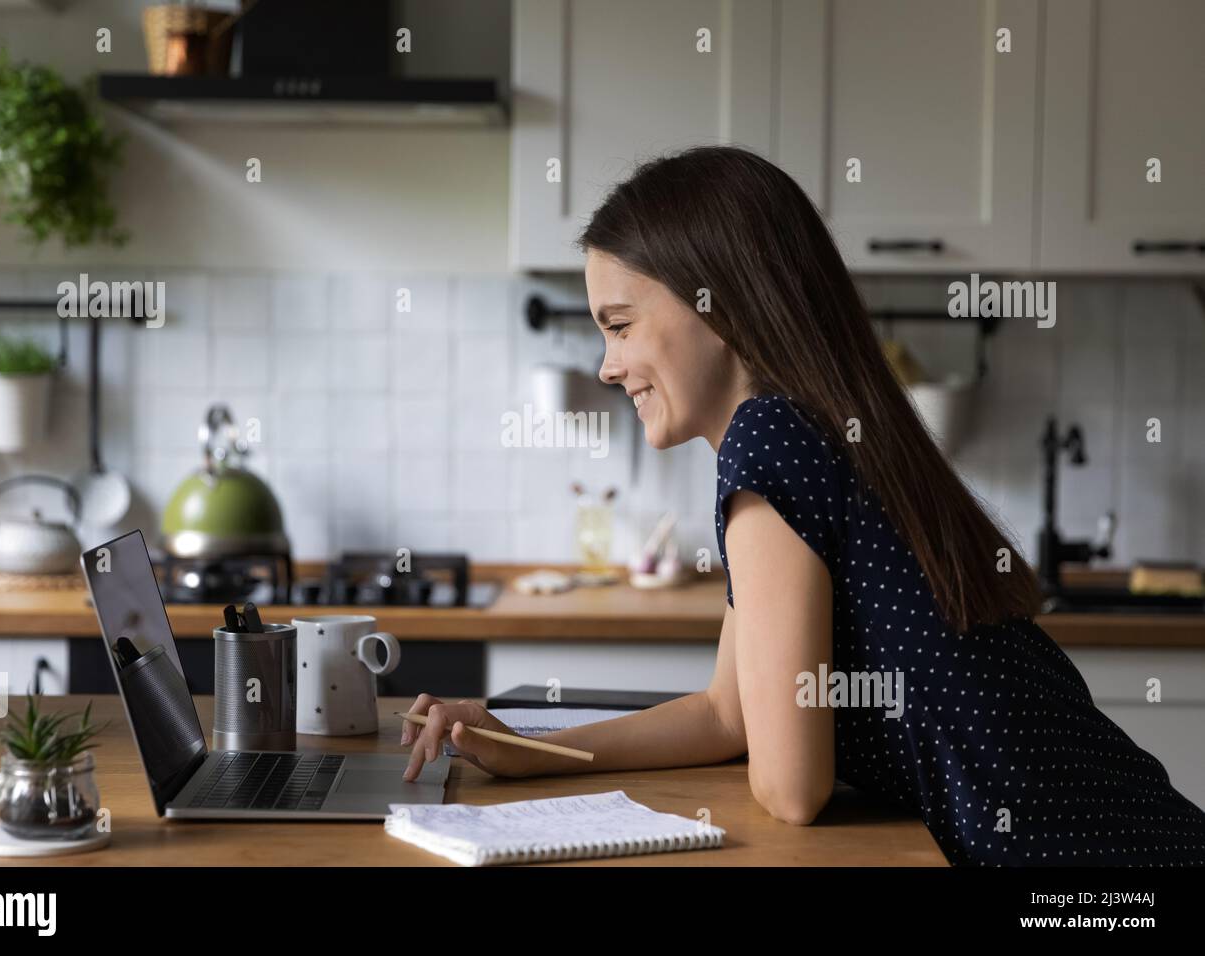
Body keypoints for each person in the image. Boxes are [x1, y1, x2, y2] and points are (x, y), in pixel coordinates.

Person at [401, 145, 1205, 866]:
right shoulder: (808, 430)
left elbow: (792, 791)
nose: (607, 367)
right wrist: (530, 749)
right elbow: (728, 715)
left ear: (718, 307)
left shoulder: (770, 443)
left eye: (619, 325)